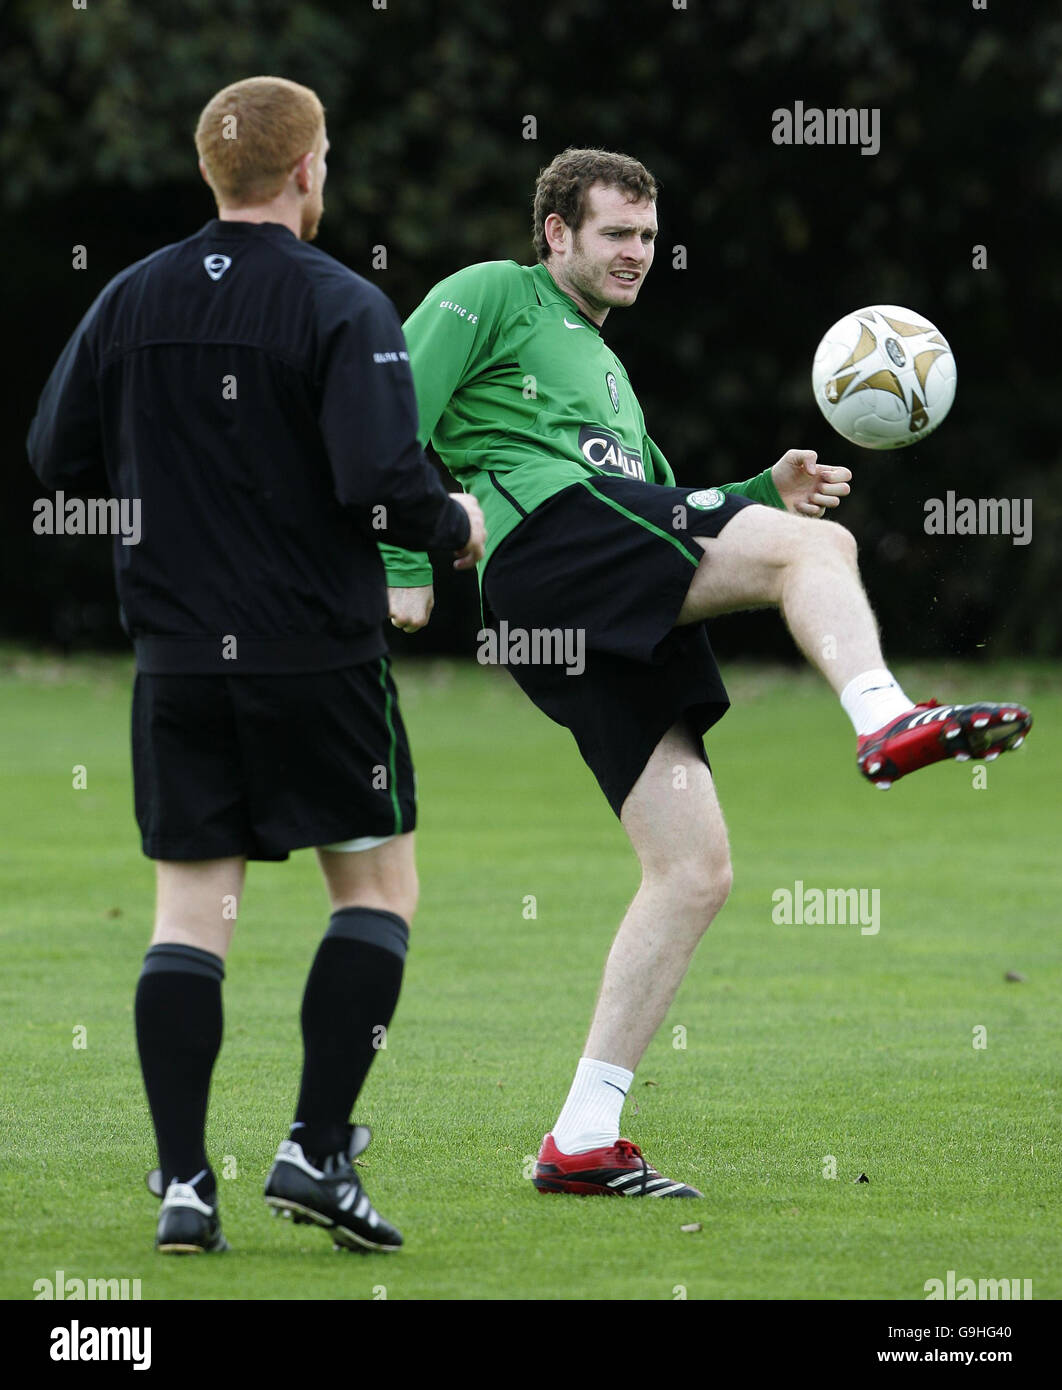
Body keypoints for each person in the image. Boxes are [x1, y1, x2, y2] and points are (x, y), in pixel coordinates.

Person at [382, 147, 1032, 1198]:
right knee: (817, 552)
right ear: (557, 233)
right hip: (547, 549)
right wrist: (402, 559)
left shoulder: (606, 367)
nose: (640, 253)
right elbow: (388, 421)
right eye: (616, 235)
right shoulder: (492, 294)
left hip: (592, 586)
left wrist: (752, 487)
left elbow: (664, 518)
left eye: (648, 236)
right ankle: (884, 718)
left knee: (694, 871)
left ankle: (582, 1139)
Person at [26, 76, 485, 1253]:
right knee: (378, 893)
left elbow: (53, 452)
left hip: (177, 660)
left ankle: (185, 1184)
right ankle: (316, 1150)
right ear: (305, 171)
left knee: (190, 911)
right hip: (318, 656)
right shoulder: (341, 302)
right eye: (326, 156)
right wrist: (457, 528)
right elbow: (383, 482)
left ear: (209, 170)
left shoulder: (130, 297)